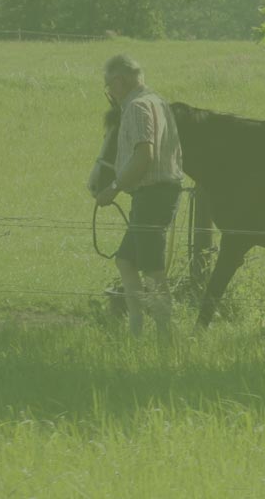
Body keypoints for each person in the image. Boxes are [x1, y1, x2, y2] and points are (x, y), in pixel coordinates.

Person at [91, 53, 184, 341]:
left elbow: (144, 155)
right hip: (156, 194)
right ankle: (136, 330)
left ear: (119, 81)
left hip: (152, 195)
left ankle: (165, 338)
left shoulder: (135, 107)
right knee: (125, 260)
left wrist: (114, 187)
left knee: (153, 271)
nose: (109, 91)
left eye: (108, 85)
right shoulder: (157, 101)